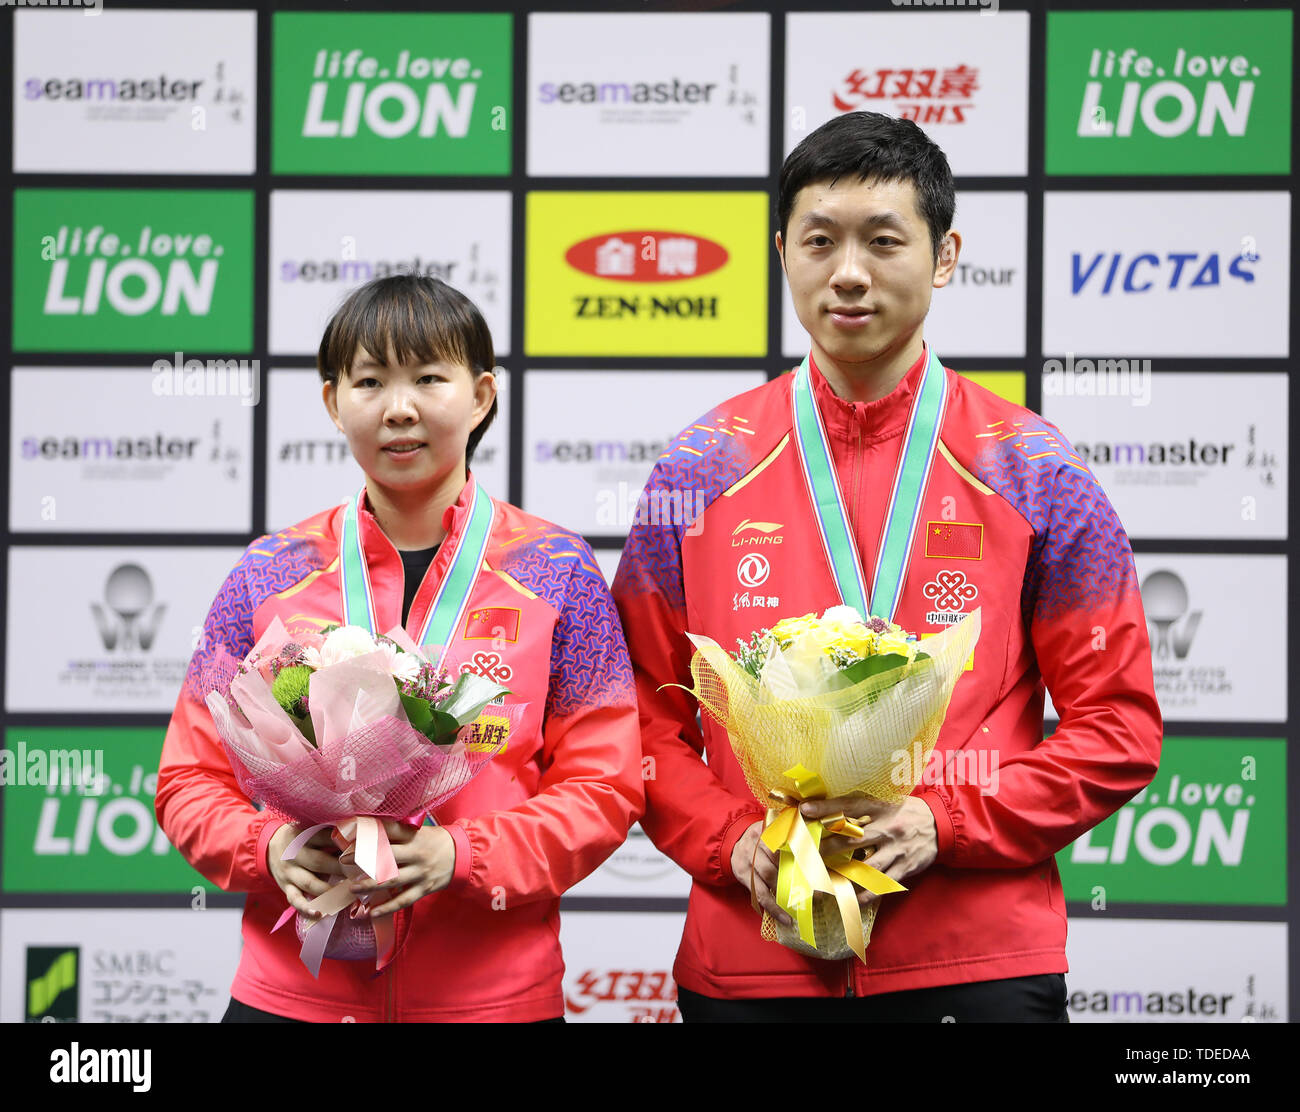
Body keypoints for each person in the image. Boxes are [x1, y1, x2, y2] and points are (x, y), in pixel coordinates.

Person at [612, 111, 1162, 1022]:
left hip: (974, 959)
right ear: (782, 250)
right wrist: (731, 841)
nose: (850, 272)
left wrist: (946, 823)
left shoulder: (1033, 468)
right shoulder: (700, 467)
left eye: (884, 240)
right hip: (753, 963)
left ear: (944, 256)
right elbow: (637, 714)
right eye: (820, 241)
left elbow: (1117, 725)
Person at [157, 275, 643, 1022]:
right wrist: (267, 848)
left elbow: (606, 785)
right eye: (371, 381)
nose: (400, 407)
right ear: (332, 402)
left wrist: (467, 856)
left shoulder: (558, 572)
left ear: (481, 395)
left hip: (491, 997)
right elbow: (188, 778)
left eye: (428, 377)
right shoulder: (271, 573)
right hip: (297, 996)